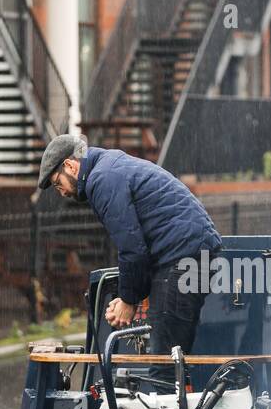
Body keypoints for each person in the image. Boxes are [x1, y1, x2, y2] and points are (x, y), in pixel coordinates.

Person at [38, 135, 222, 379]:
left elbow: (131, 247)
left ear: (70, 166)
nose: (61, 192)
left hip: (181, 256)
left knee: (164, 366)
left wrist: (127, 300)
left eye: (58, 184)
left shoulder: (102, 180)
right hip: (190, 251)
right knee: (174, 358)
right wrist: (129, 296)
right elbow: (136, 244)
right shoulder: (109, 166)